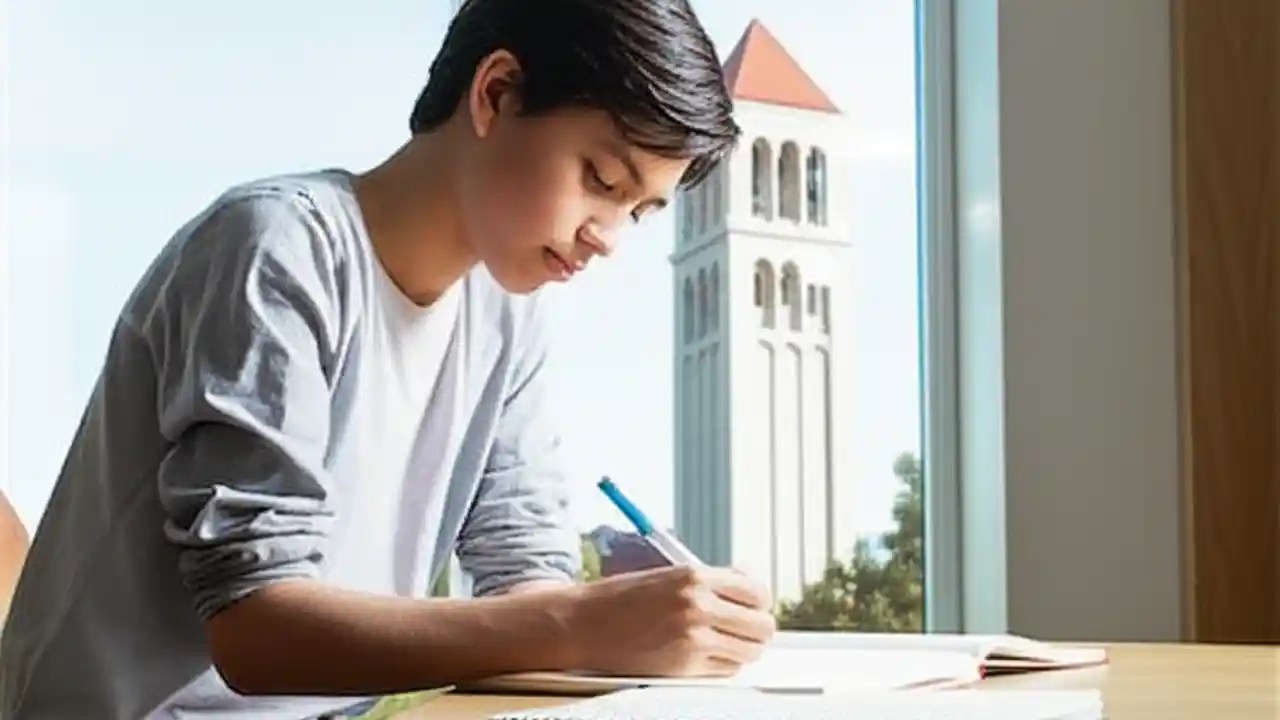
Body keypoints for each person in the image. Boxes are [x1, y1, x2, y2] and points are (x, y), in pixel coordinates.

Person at [0, 0, 777, 717]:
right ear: (496, 93)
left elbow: (522, 572)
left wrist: (642, 630)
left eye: (636, 212)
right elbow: (253, 629)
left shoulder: (507, 314)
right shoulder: (277, 250)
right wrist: (581, 621)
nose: (607, 235)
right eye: (601, 179)